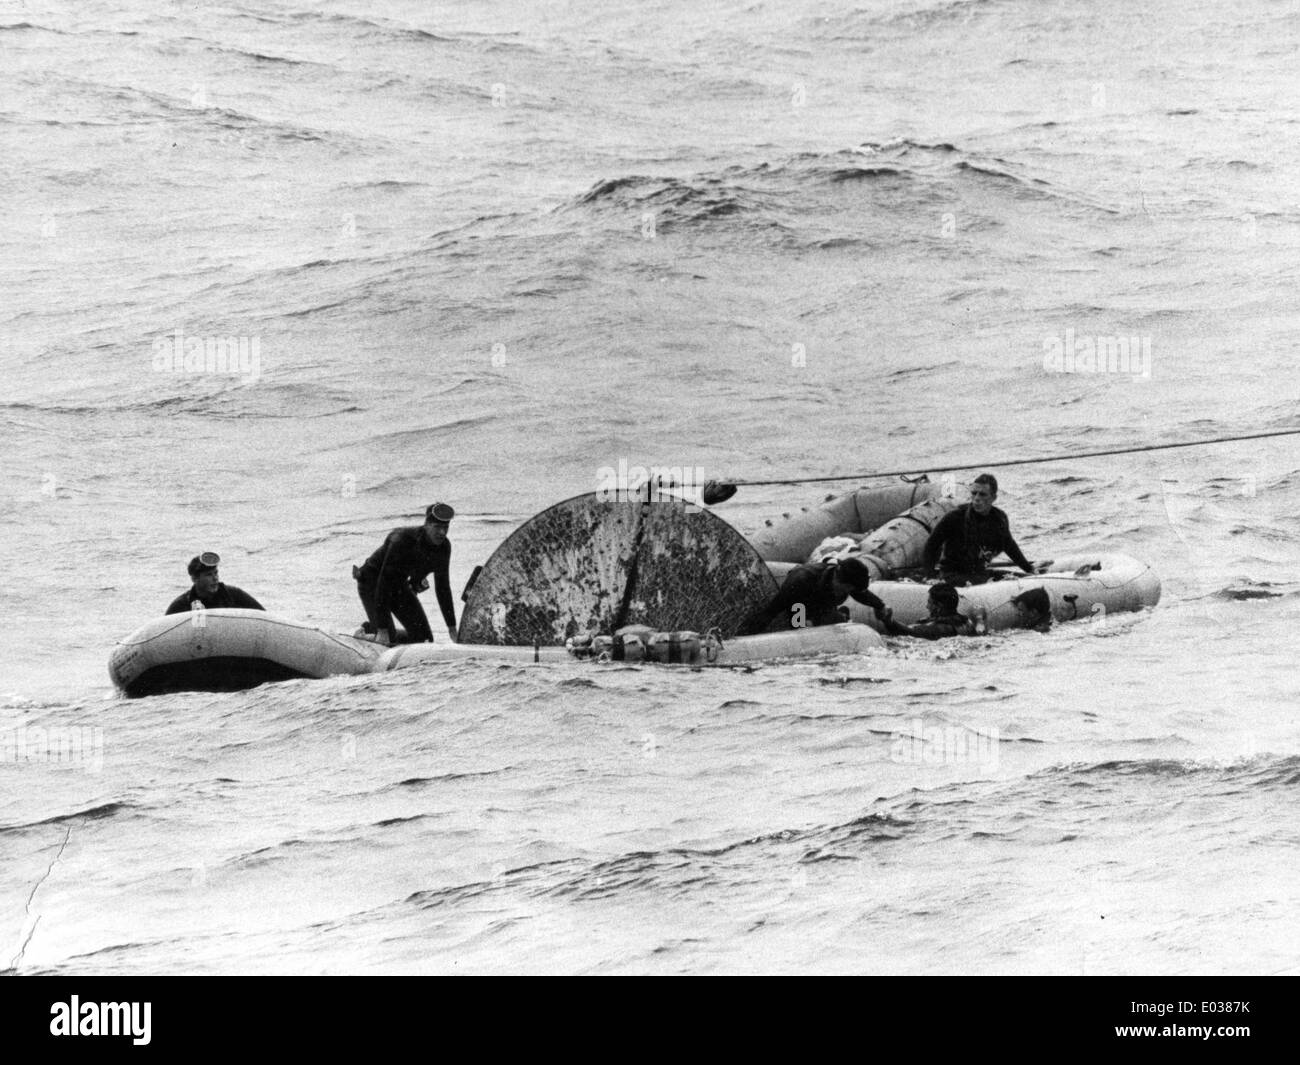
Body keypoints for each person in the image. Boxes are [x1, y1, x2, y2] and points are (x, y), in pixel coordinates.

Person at [355, 502, 458, 646]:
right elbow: (383, 584)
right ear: (426, 525)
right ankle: (369, 632)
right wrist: (383, 630)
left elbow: (443, 588)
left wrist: (452, 628)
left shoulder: (444, 547)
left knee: (424, 639)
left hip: (398, 585)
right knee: (386, 641)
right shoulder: (402, 540)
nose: (442, 533)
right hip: (372, 582)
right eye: (437, 527)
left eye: (446, 527)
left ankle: (377, 630)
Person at [923, 473, 1044, 585]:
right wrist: (930, 576)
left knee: (1023, 579)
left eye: (982, 494)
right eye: (974, 493)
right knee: (991, 582)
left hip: (980, 572)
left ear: (993, 498)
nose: (976, 498)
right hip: (953, 574)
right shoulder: (955, 517)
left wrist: (1029, 569)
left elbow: (1009, 546)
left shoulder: (999, 518)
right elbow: (931, 545)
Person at [743, 556, 888, 634]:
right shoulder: (801, 582)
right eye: (846, 589)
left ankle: (837, 616)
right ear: (838, 579)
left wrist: (880, 605)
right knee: (803, 627)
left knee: (836, 623)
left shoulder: (847, 581)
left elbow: (861, 594)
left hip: (822, 606)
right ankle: (832, 617)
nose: (847, 592)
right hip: (799, 604)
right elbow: (771, 611)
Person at [165, 552, 265, 614]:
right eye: (209, 575)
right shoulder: (182, 605)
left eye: (216, 573)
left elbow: (263, 615)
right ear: (195, 579)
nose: (215, 578)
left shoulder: (233, 595)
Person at [877, 583, 972, 640]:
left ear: (939, 606)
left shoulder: (939, 628)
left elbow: (909, 633)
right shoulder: (966, 622)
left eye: (929, 603)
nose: (927, 607)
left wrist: (888, 621)